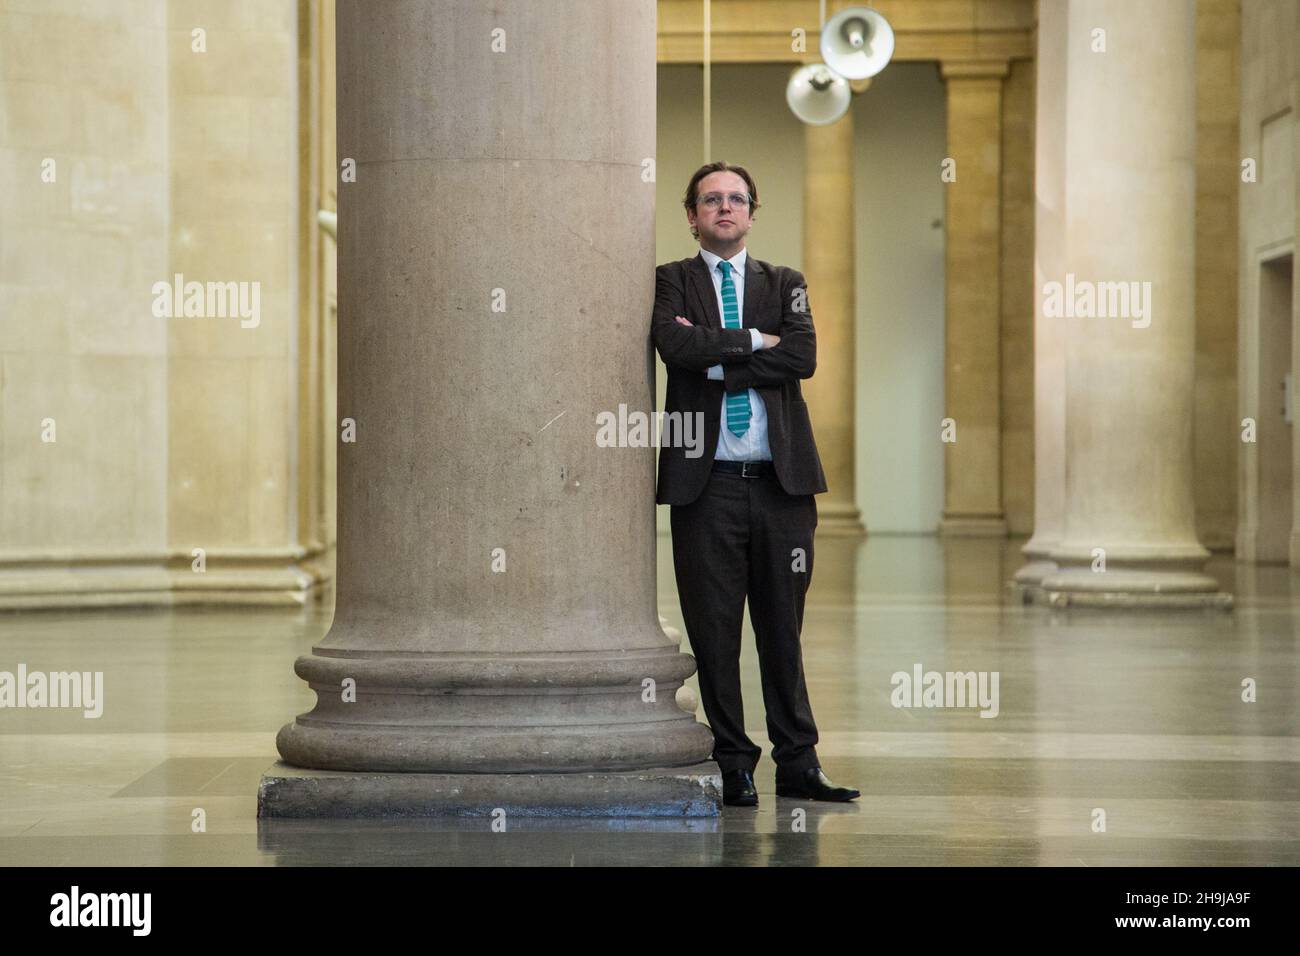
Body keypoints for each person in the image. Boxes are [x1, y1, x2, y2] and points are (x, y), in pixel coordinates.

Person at [651, 161, 860, 807]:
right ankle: (734, 763)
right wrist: (750, 341)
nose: (724, 207)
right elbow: (673, 348)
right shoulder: (671, 281)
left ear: (751, 212)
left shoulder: (785, 283)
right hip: (705, 486)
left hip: (782, 486)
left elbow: (802, 356)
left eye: (736, 199)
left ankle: (798, 763)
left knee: (782, 631)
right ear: (691, 215)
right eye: (711, 199)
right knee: (714, 632)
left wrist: (719, 356)